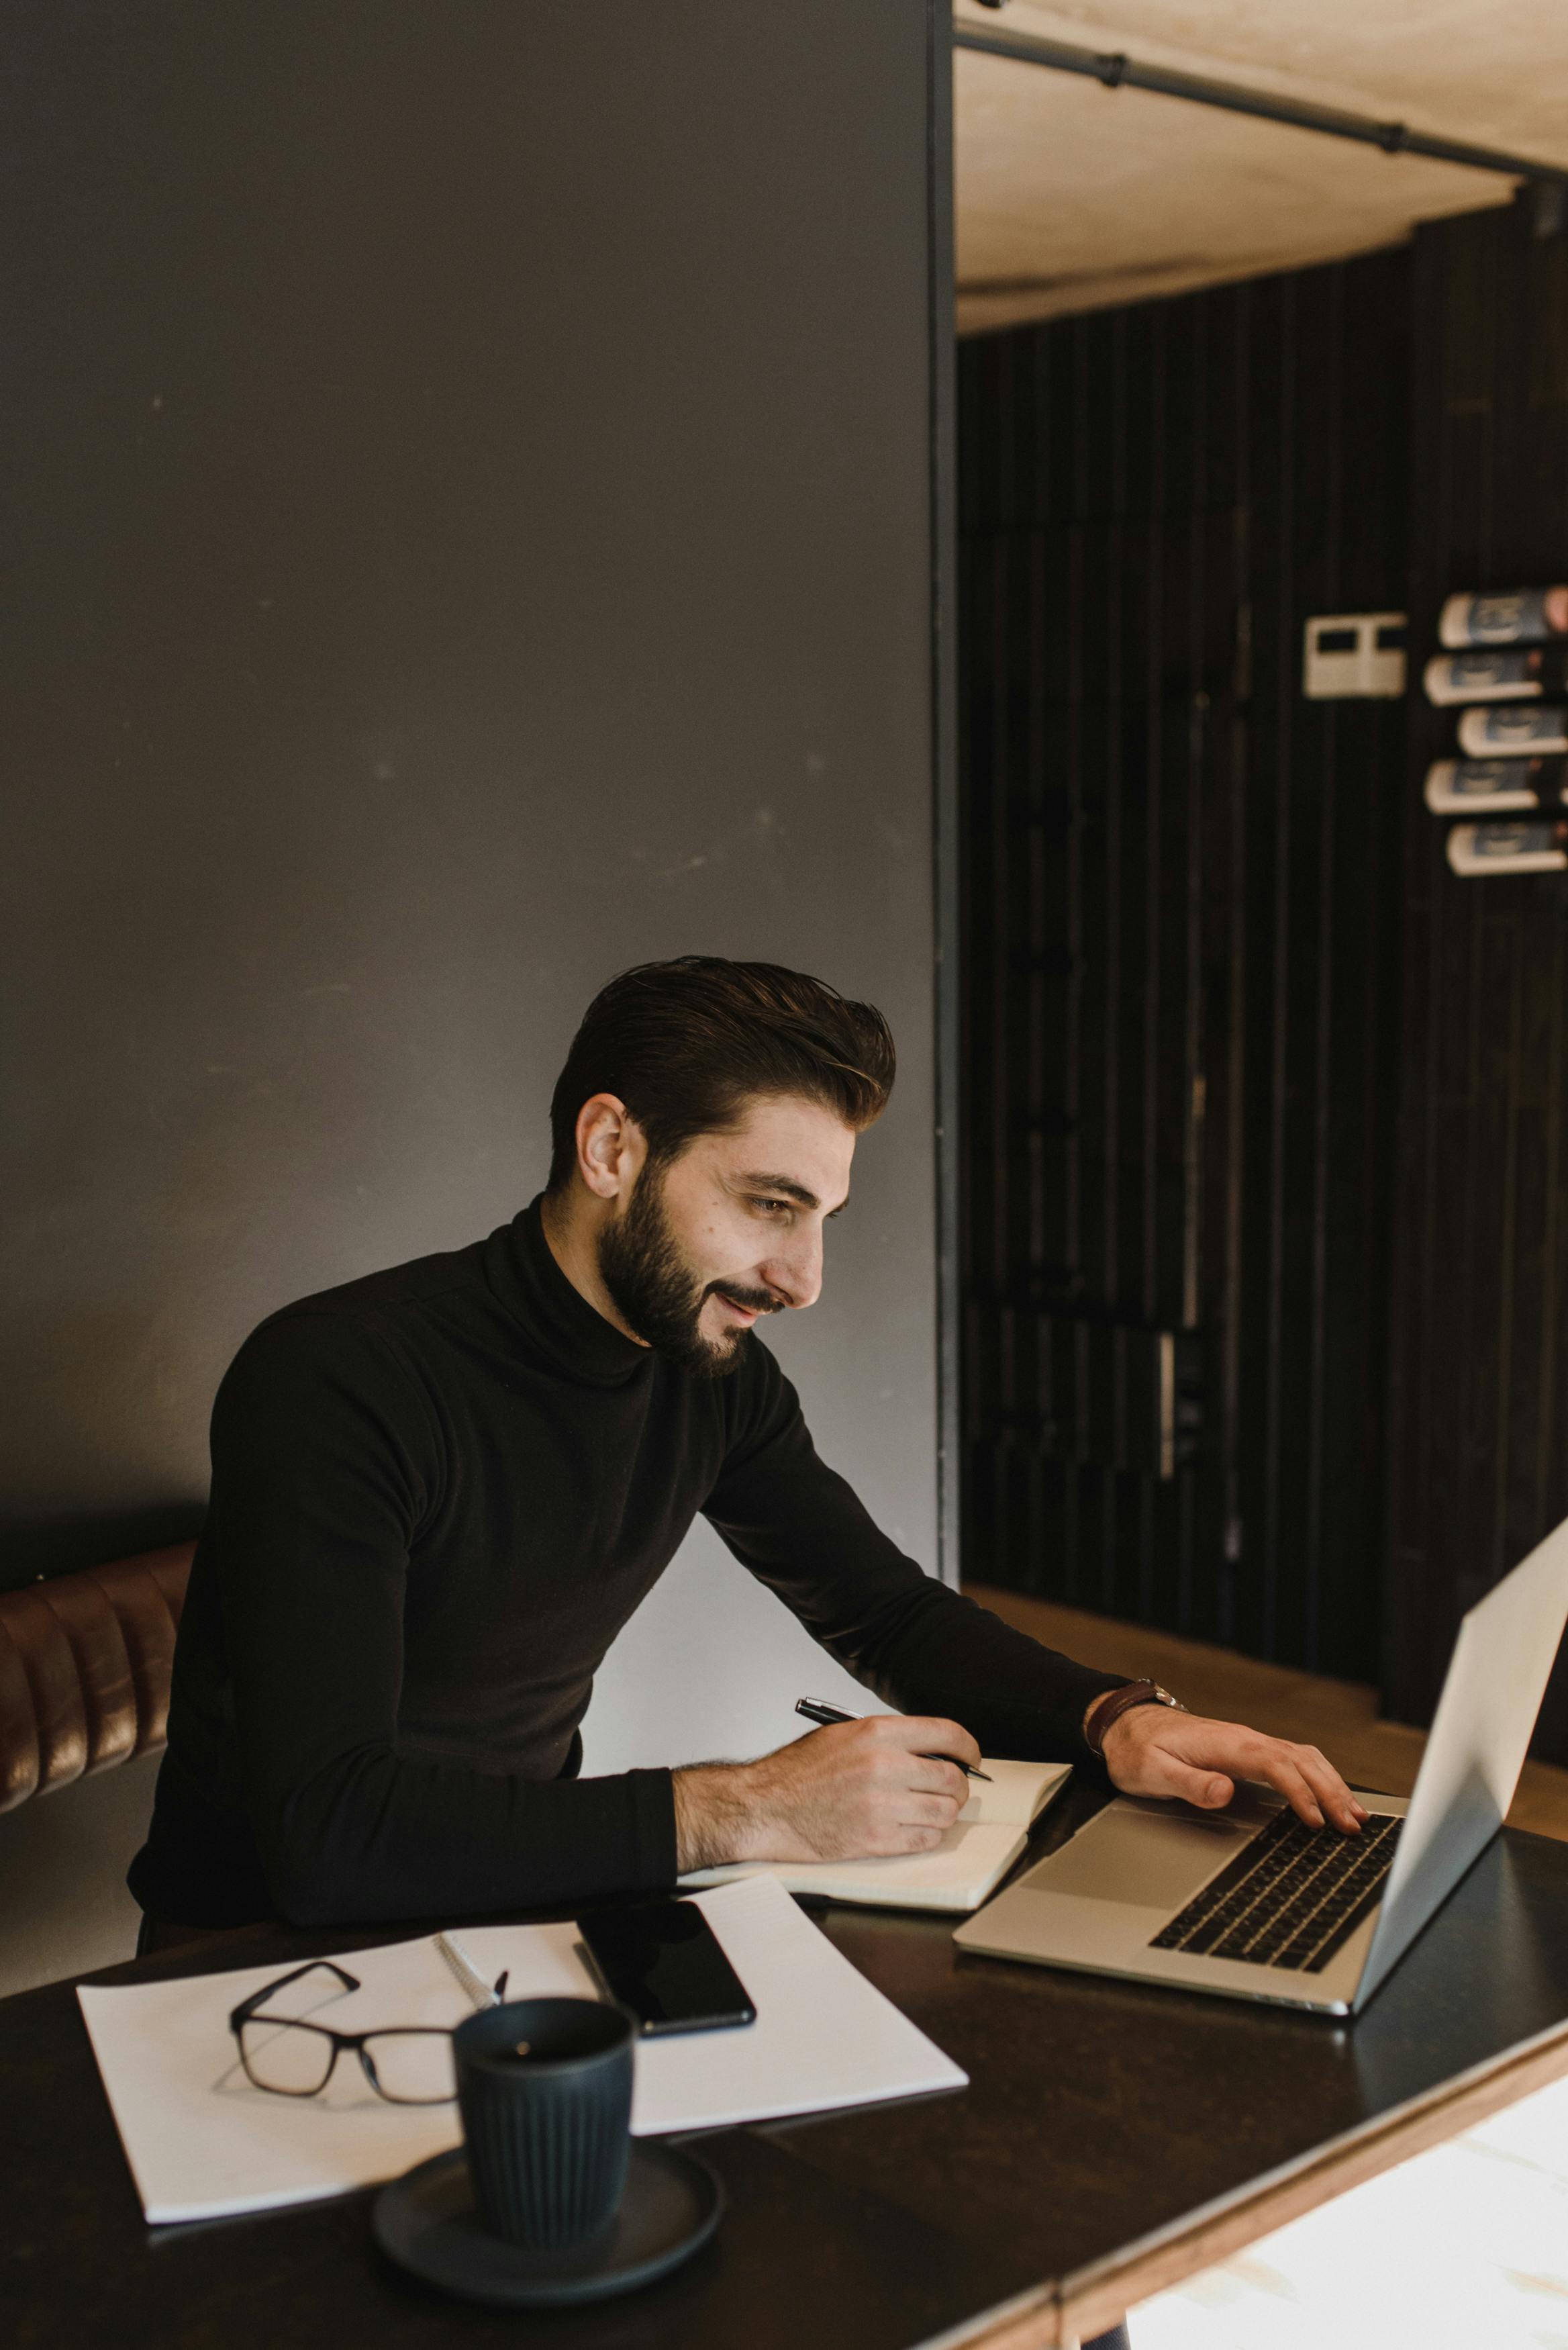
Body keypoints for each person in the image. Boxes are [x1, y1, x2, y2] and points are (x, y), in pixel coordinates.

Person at [130, 955, 1365, 1944]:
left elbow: (885, 1614)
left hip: (514, 1924)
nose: (805, 1277)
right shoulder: (340, 1378)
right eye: (769, 1205)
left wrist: (1115, 1720)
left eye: (821, 1218)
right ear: (612, 1149)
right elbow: (331, 1835)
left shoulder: (710, 1381)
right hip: (258, 1964)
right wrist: (753, 1811)